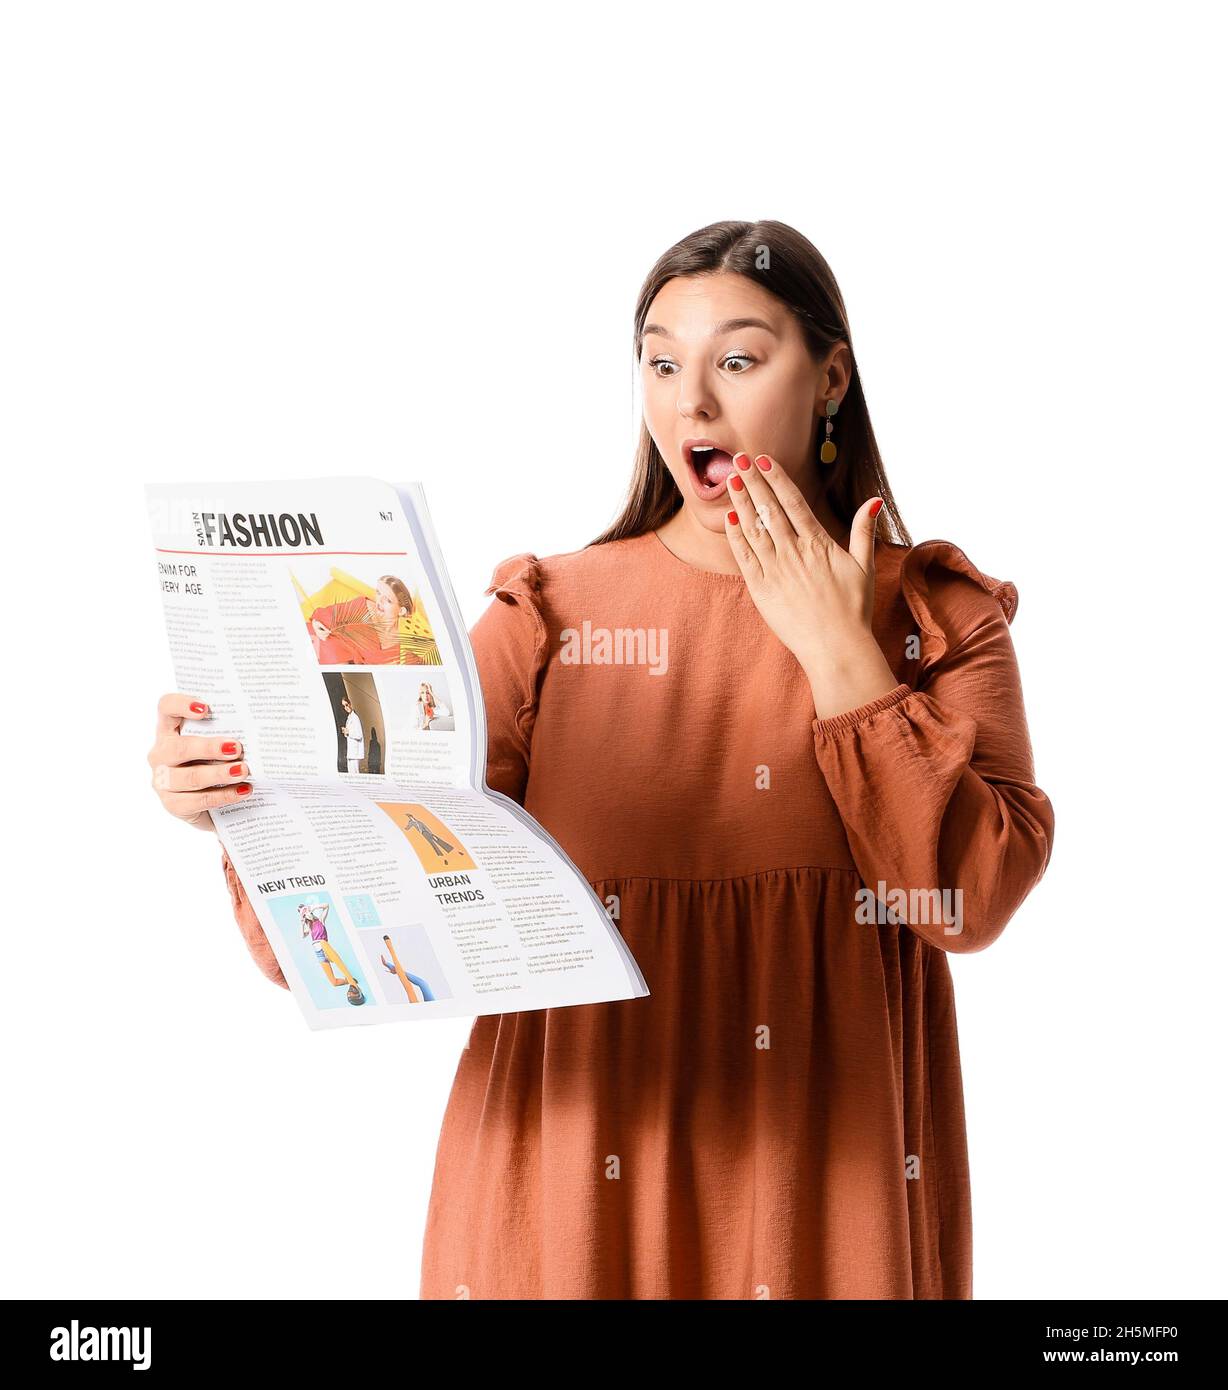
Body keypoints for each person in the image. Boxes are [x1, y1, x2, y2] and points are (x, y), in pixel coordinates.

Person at [147, 219, 1055, 1300]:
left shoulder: (936, 616)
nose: (692, 404)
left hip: (824, 1191)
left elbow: (968, 901)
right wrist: (241, 803)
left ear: (830, 380)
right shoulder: (550, 617)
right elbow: (378, 916)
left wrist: (841, 659)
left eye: (737, 359)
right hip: (568, 1193)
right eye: (661, 364)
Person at [308, 575, 422, 665]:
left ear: (401, 611)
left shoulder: (405, 645)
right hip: (323, 642)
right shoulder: (364, 607)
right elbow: (325, 615)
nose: (380, 601)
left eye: (388, 600)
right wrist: (316, 624)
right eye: (378, 593)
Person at [339, 698, 363, 773]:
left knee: (355, 775)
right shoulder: (349, 718)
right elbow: (350, 734)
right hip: (350, 752)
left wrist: (348, 732)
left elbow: (359, 735)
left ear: (350, 704)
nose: (346, 707)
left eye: (346, 705)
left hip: (354, 753)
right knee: (351, 774)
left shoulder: (355, 718)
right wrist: (345, 732)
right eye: (344, 706)